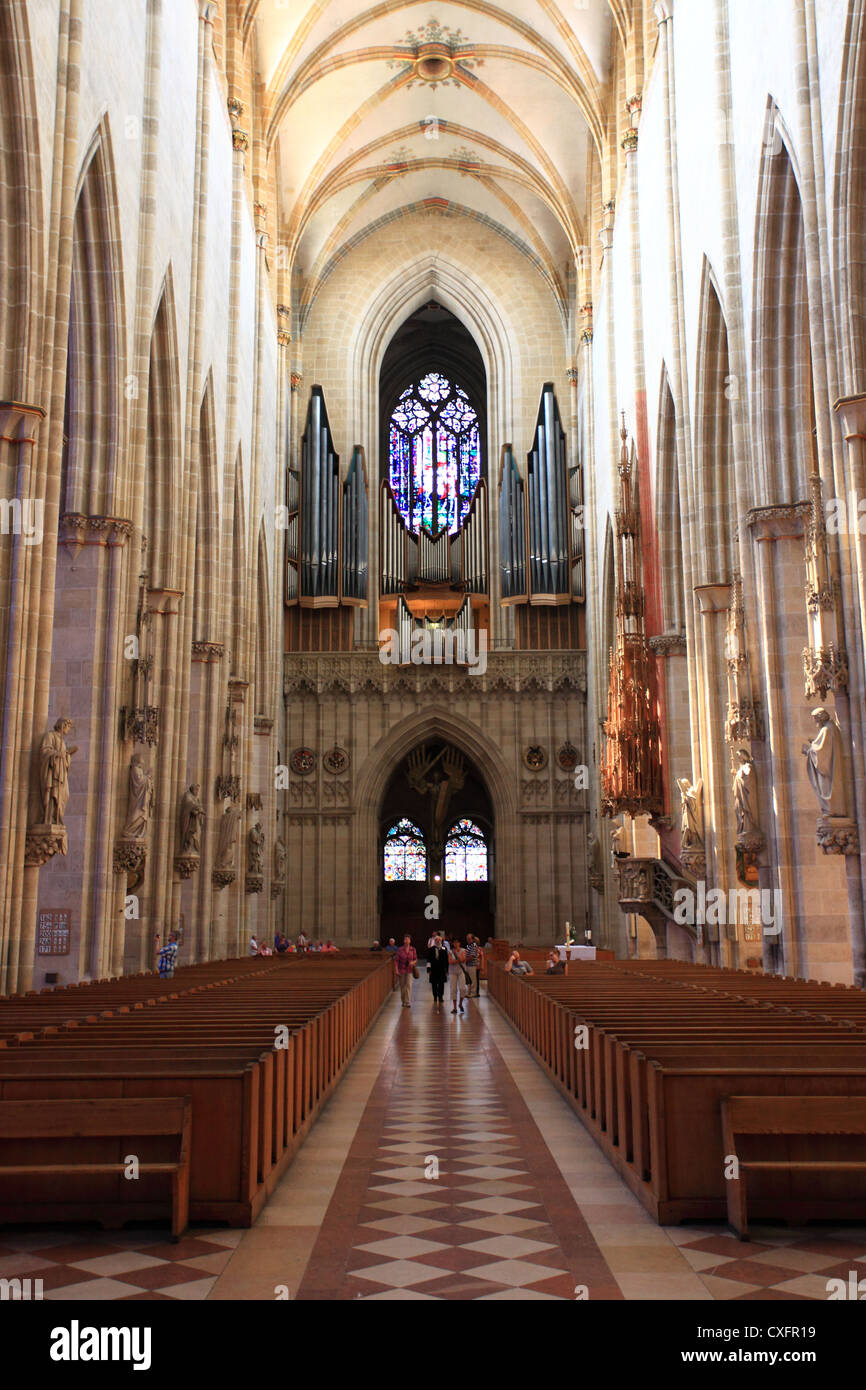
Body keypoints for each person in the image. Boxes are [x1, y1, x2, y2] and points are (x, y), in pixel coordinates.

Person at [427, 932, 449, 1010]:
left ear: (441, 941)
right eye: (436, 940)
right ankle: (435, 996)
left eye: (439, 940)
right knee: (434, 984)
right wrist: (428, 969)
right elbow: (428, 960)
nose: (437, 941)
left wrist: (447, 970)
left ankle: (440, 996)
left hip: (442, 969)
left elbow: (446, 960)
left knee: (441, 984)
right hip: (433, 969)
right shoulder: (431, 949)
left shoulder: (444, 949)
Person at [395, 934, 417, 1007]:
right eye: (405, 939)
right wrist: (396, 970)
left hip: (409, 970)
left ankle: (407, 1002)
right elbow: (396, 961)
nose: (407, 940)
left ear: (410, 941)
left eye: (408, 939)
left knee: (409, 985)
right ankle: (403, 1001)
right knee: (402, 986)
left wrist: (412, 962)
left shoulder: (413, 949)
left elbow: (415, 959)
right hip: (401, 970)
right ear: (403, 941)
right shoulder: (400, 949)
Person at [449, 936, 470, 1014]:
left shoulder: (463, 950)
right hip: (452, 972)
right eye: (454, 943)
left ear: (459, 943)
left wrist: (456, 960)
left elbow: (463, 959)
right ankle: (454, 1008)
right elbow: (450, 962)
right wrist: (458, 960)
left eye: (457, 942)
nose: (456, 944)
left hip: (461, 971)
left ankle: (460, 1004)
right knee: (453, 989)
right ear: (453, 944)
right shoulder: (450, 951)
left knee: (462, 988)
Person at [464, 934, 480, 999]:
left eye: (469, 939)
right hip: (468, 965)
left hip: (472, 965)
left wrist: (464, 960)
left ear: (472, 939)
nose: (468, 940)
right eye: (467, 939)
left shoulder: (474, 945)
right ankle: (469, 992)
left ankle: (473, 993)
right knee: (468, 980)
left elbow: (472, 956)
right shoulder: (468, 945)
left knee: (473, 980)